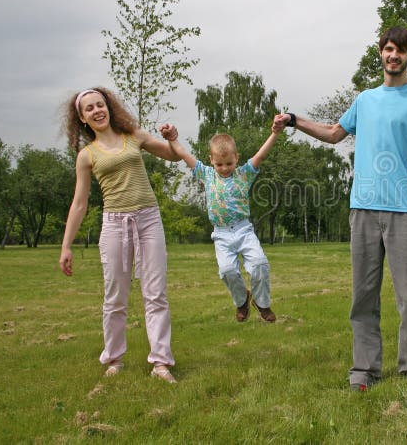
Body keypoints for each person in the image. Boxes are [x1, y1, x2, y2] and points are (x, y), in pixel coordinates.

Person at [273, 26, 407, 391]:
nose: (393, 55)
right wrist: (294, 120)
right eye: (387, 49)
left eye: (400, 50)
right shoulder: (365, 100)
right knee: (363, 296)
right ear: (380, 54)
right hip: (364, 210)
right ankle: (365, 370)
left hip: (404, 212)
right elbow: (334, 133)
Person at [59, 86, 180, 384]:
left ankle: (161, 363)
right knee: (115, 298)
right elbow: (79, 203)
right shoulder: (87, 156)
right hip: (114, 225)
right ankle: (114, 360)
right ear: (82, 119)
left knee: (155, 294)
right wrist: (66, 247)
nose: (97, 110)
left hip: (149, 220)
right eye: (90, 108)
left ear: (109, 107)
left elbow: (173, 157)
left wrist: (172, 139)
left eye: (100, 104)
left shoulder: (134, 136)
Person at [161, 125, 281, 323]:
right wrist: (172, 138)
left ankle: (262, 303)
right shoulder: (206, 174)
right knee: (227, 271)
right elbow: (183, 153)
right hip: (221, 235)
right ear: (211, 160)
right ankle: (242, 300)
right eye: (219, 164)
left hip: (243, 229)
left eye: (229, 163)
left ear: (237, 158)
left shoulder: (244, 174)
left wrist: (275, 133)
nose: (224, 168)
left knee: (260, 264)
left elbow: (261, 154)